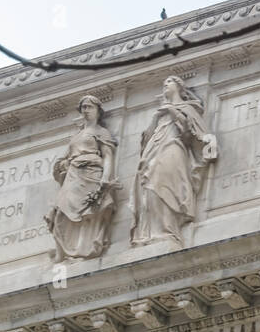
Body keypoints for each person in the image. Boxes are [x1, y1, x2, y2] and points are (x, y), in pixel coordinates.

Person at [133, 76, 217, 248]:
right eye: (163, 83)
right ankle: (153, 232)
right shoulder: (160, 112)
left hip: (174, 147)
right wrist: (156, 118)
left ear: (180, 87)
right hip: (154, 150)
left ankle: (168, 229)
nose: (165, 84)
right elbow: (146, 140)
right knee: (150, 186)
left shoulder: (187, 108)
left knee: (164, 183)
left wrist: (172, 111)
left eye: (169, 82)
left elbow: (190, 132)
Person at [46, 95, 117, 261]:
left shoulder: (101, 132)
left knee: (89, 211)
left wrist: (105, 178)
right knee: (60, 212)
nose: (86, 110)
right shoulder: (76, 136)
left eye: (89, 107)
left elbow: (108, 156)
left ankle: (86, 246)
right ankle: (61, 252)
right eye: (83, 107)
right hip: (73, 175)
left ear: (98, 111)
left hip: (91, 174)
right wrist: (61, 165)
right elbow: (64, 158)